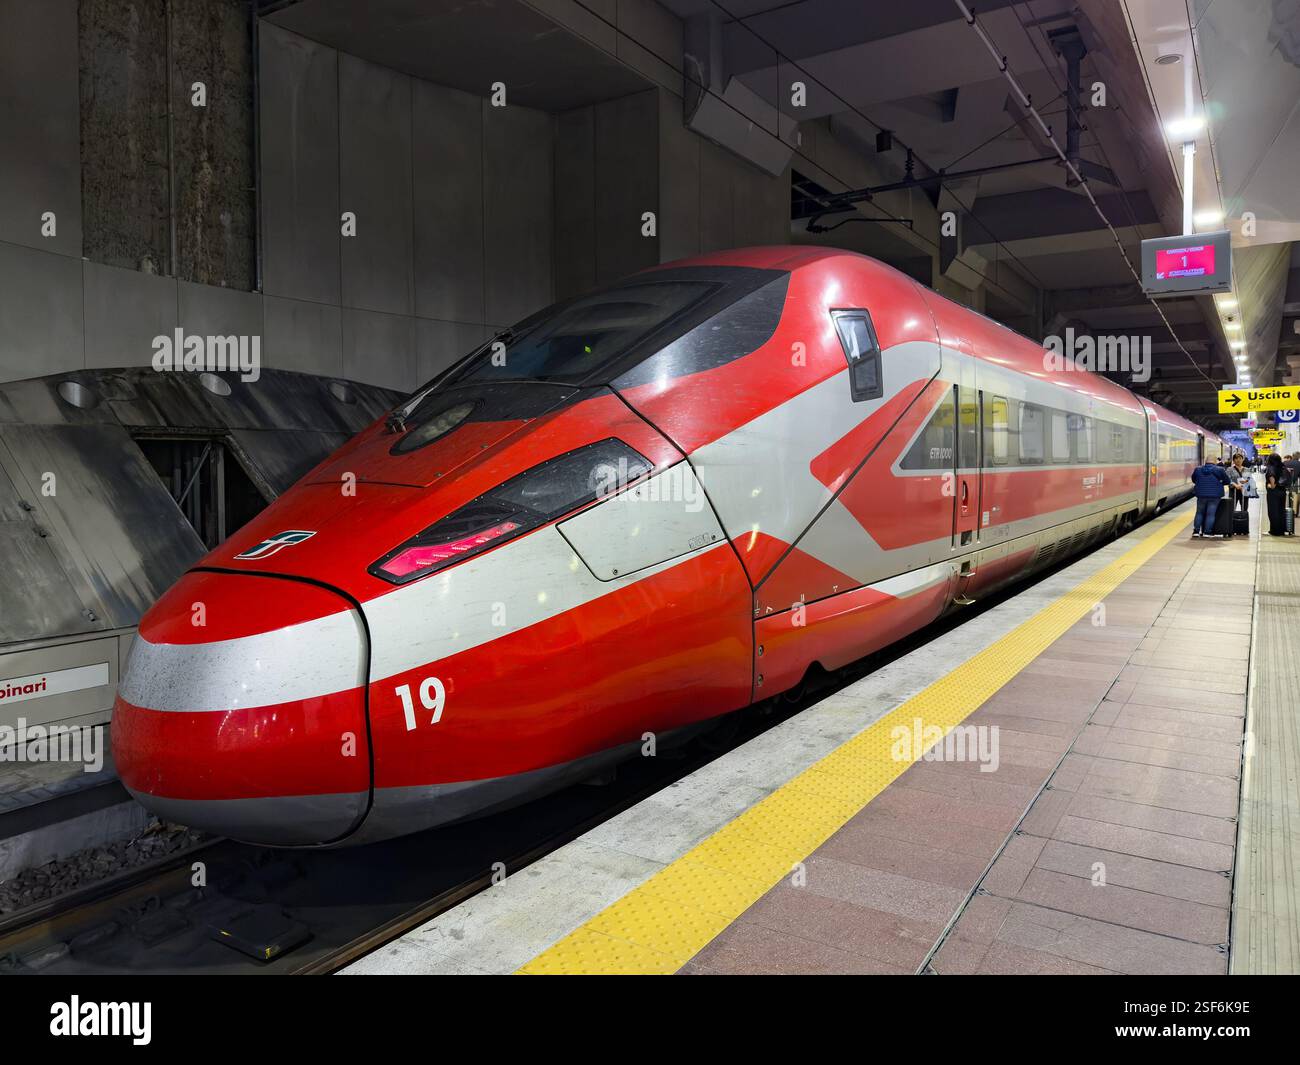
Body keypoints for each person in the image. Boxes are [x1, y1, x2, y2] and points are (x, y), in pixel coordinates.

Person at [1191, 457, 1231, 538]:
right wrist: (1220, 483)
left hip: (1201, 494)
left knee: (1199, 513)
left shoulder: (1198, 469)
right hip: (1214, 496)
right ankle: (1207, 532)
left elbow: (1194, 479)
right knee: (1210, 514)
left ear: (1206, 461)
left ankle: (1196, 531)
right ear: (1215, 462)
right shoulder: (1220, 470)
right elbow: (1227, 481)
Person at [1265, 452, 1292, 536]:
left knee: (1273, 511)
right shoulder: (1283, 467)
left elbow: (1272, 479)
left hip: (1274, 492)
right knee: (1280, 511)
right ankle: (1281, 530)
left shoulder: (1271, 467)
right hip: (1282, 491)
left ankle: (1274, 531)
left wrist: (1271, 485)